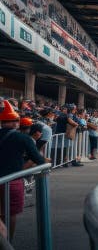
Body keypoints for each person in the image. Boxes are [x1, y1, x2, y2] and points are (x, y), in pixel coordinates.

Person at [0, 100, 48, 241]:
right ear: (16, 122)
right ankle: (8, 248)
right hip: (12, 181)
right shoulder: (23, 138)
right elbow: (38, 159)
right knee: (10, 214)